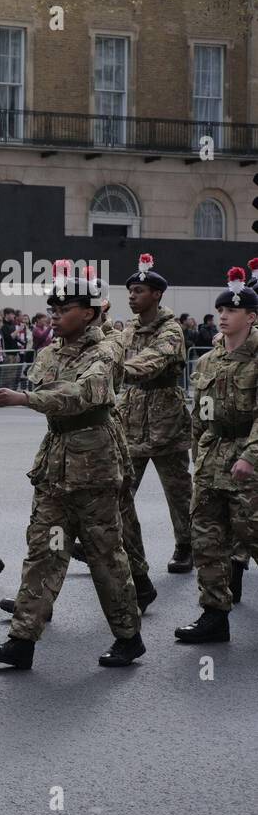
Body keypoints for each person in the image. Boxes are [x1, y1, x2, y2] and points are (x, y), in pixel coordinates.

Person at [0, 267, 145, 671]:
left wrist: (25, 398)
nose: (54, 314)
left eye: (64, 307)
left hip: (95, 466)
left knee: (105, 555)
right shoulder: (50, 351)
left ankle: (129, 637)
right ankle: (22, 640)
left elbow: (83, 394)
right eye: (51, 307)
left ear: (90, 314)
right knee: (45, 550)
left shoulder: (105, 351)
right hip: (55, 466)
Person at [174, 268, 258, 645]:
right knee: (207, 539)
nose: (223, 315)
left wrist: (251, 456)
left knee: (252, 534)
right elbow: (199, 414)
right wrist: (197, 453)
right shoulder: (209, 361)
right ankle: (214, 616)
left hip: (247, 459)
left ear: (251, 316)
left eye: (232, 310)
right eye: (220, 309)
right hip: (212, 459)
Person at [119, 254, 194, 573]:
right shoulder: (128, 330)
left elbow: (155, 359)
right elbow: (110, 351)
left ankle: (186, 546)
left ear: (156, 295)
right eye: (131, 291)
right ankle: (121, 548)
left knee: (178, 491)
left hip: (166, 421)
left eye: (139, 291)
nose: (132, 296)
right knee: (120, 487)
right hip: (133, 420)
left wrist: (117, 369)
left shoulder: (171, 329)